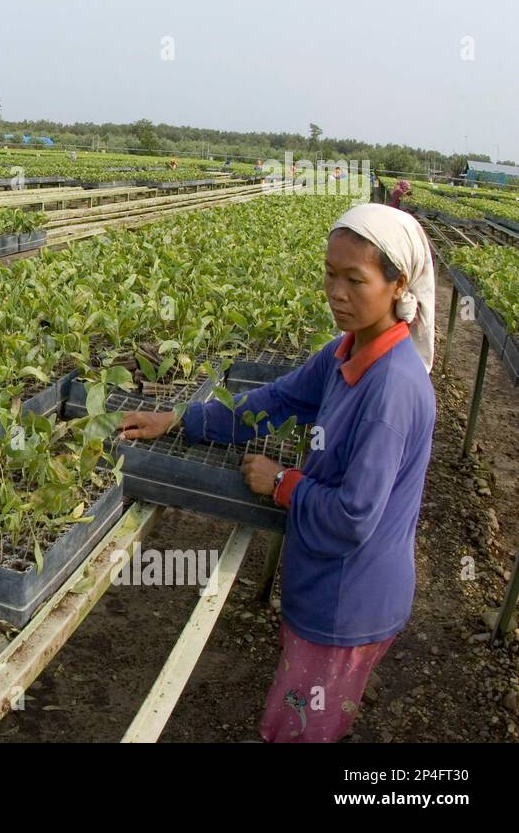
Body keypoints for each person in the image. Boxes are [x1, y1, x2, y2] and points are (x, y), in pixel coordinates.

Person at [119, 204, 436, 742]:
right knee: (303, 714)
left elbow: (352, 517)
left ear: (397, 283)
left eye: (355, 279)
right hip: (327, 583)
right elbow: (275, 401)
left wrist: (282, 481)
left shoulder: (391, 390)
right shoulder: (347, 352)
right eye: (330, 274)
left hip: (349, 599)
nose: (336, 292)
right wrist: (177, 419)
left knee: (299, 727)